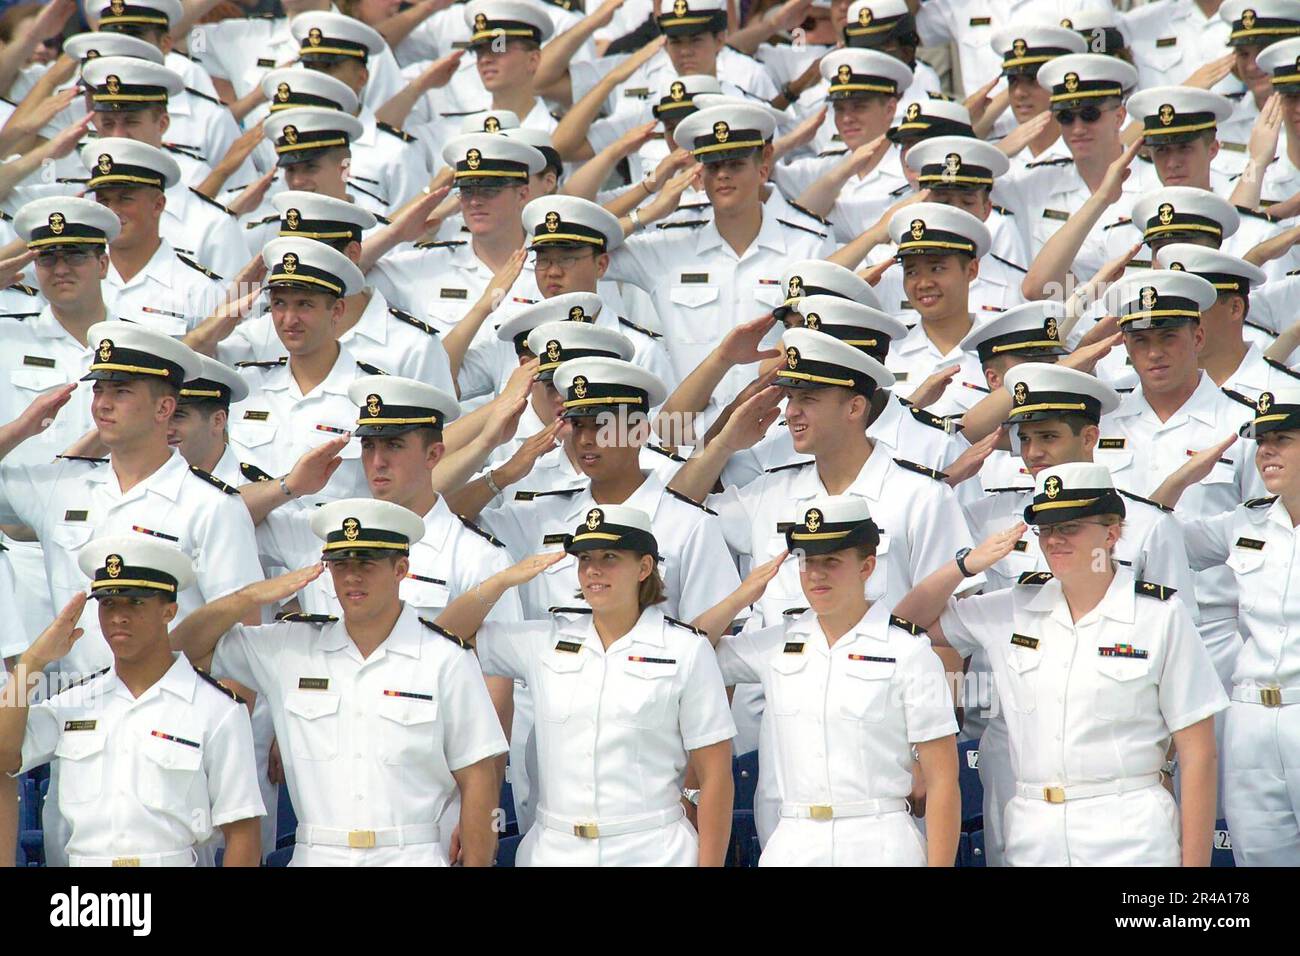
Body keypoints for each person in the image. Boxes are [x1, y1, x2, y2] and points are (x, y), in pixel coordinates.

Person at [894, 462, 1227, 866]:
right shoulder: (1013, 608)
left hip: (1130, 830)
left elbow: (1198, 755)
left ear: (1112, 531)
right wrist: (966, 565)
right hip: (1034, 832)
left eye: (1069, 527)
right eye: (1047, 529)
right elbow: (904, 624)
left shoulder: (1159, 615)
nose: (1054, 541)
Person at [171, 498, 508, 866]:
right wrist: (248, 597)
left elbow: (477, 778)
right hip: (318, 854)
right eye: (341, 565)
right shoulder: (289, 648)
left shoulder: (445, 658)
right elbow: (183, 649)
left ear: (401, 568)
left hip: (411, 853)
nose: (352, 577)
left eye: (366, 563)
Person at [434, 503, 737, 866]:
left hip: (654, 850)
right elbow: (444, 636)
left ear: (644, 567)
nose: (593, 570)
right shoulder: (544, 641)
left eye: (610, 557)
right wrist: (501, 581)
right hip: (555, 851)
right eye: (584, 558)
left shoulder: (686, 650)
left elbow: (716, 773)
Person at [693, 495, 960, 866]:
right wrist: (741, 597)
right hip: (793, 839)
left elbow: (943, 778)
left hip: (880, 840)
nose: (816, 574)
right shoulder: (777, 644)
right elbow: (686, 655)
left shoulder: (909, 651)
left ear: (867, 566)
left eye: (831, 561)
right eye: (808, 561)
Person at [0, 536, 264, 866]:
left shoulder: (218, 709)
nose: (118, 617)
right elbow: (3, 755)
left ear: (170, 611)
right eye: (108, 604)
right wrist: (34, 660)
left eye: (135, 603)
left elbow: (243, 833)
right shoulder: (74, 702)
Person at [1151, 386, 1300, 864]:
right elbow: (1151, 535)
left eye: (1283, 438)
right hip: (1250, 715)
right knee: (1259, 855)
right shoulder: (1245, 523)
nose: (1267, 451)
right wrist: (1181, 479)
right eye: (1261, 440)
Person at [0, 197, 122, 653]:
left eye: (74, 255)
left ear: (103, 262)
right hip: (21, 553)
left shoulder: (141, 345)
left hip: (114, 540)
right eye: (47, 257)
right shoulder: (5, 336)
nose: (60, 268)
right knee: (22, 704)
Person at [225, 236, 372, 504]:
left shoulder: (370, 396)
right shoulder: (246, 386)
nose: (289, 319)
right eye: (279, 304)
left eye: (304, 304)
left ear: (337, 310)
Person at [78, 136, 225, 336]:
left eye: (125, 199)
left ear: (158, 205)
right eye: (104, 200)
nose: (112, 210)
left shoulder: (199, 290)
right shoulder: (78, 278)